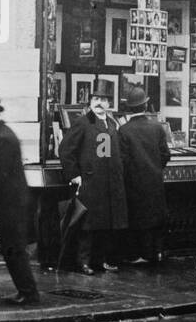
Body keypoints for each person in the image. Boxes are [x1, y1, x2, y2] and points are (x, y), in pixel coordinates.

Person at [58, 91, 127, 274]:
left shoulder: (112, 124)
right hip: (90, 182)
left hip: (110, 183)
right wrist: (74, 175)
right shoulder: (82, 122)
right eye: (96, 99)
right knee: (87, 224)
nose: (99, 103)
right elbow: (66, 149)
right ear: (90, 102)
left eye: (103, 100)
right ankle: (83, 262)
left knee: (104, 224)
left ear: (109, 103)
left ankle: (99, 260)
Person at [0, 102, 41, 305]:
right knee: (12, 251)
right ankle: (26, 291)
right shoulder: (0, 134)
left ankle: (29, 293)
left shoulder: (2, 138)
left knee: (14, 251)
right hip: (11, 205)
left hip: (10, 206)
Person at [118, 87, 171, 265]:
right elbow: (165, 155)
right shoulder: (157, 127)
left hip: (132, 183)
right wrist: (155, 168)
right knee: (154, 219)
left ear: (129, 108)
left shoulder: (124, 130)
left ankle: (137, 255)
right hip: (155, 180)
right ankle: (155, 253)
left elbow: (122, 160)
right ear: (146, 105)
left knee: (136, 219)